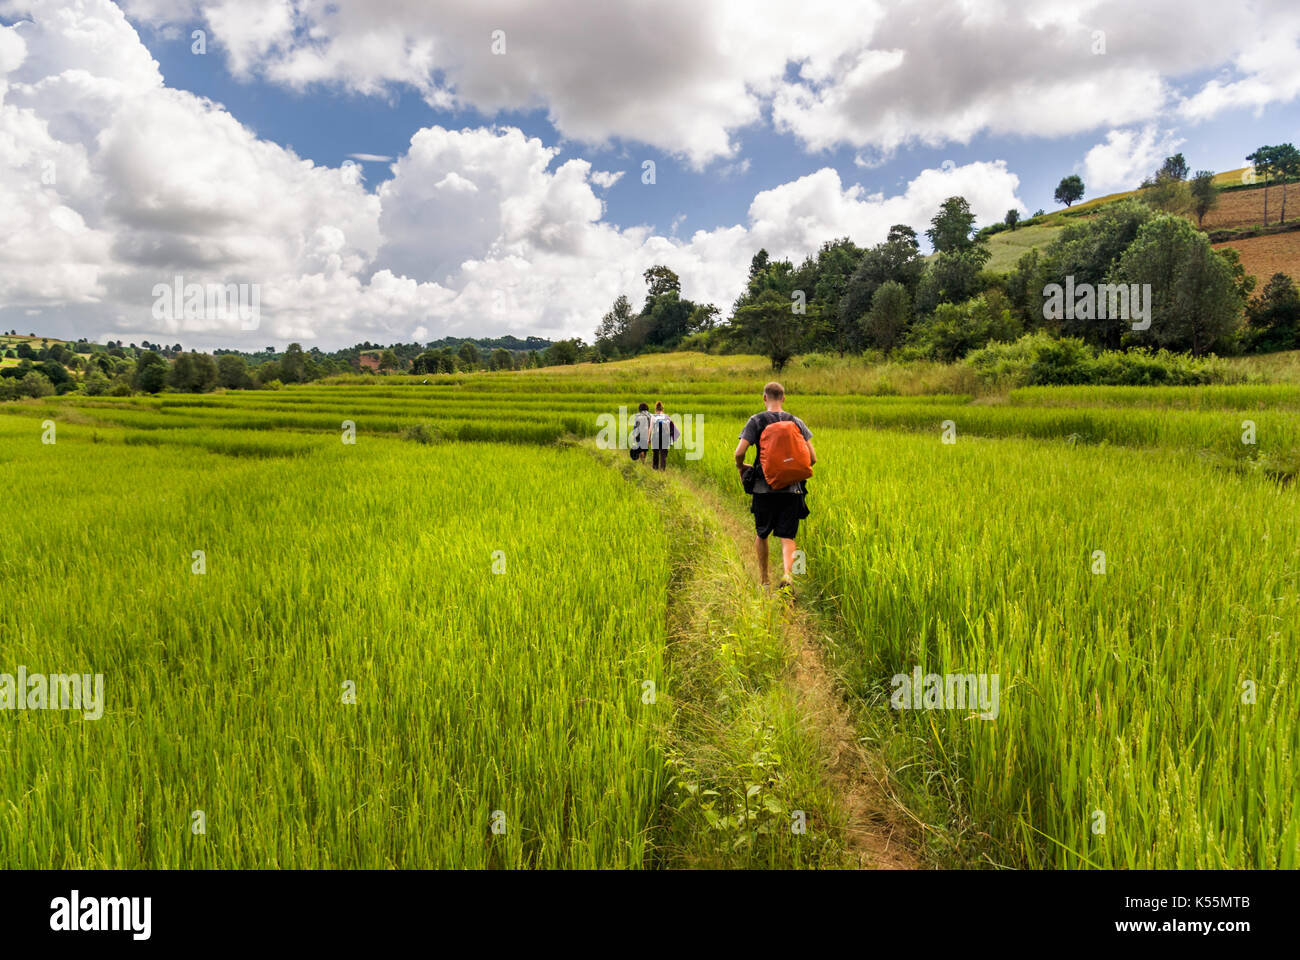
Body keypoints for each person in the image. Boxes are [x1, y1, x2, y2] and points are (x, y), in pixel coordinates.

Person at [734, 381, 816, 590]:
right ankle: (789, 576)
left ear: (764, 398)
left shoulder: (756, 421)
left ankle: (764, 581)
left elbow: (739, 452)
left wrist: (741, 468)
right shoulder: (795, 421)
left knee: (762, 533)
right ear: (784, 398)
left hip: (764, 488)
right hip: (792, 489)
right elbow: (812, 458)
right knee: (787, 536)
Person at [650, 401, 678, 470]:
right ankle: (662, 471)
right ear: (662, 409)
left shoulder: (653, 417)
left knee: (655, 454)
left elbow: (650, 429)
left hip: (656, 437)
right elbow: (673, 428)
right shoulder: (667, 417)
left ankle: (655, 470)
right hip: (665, 438)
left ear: (656, 410)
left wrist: (648, 439)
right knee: (663, 455)